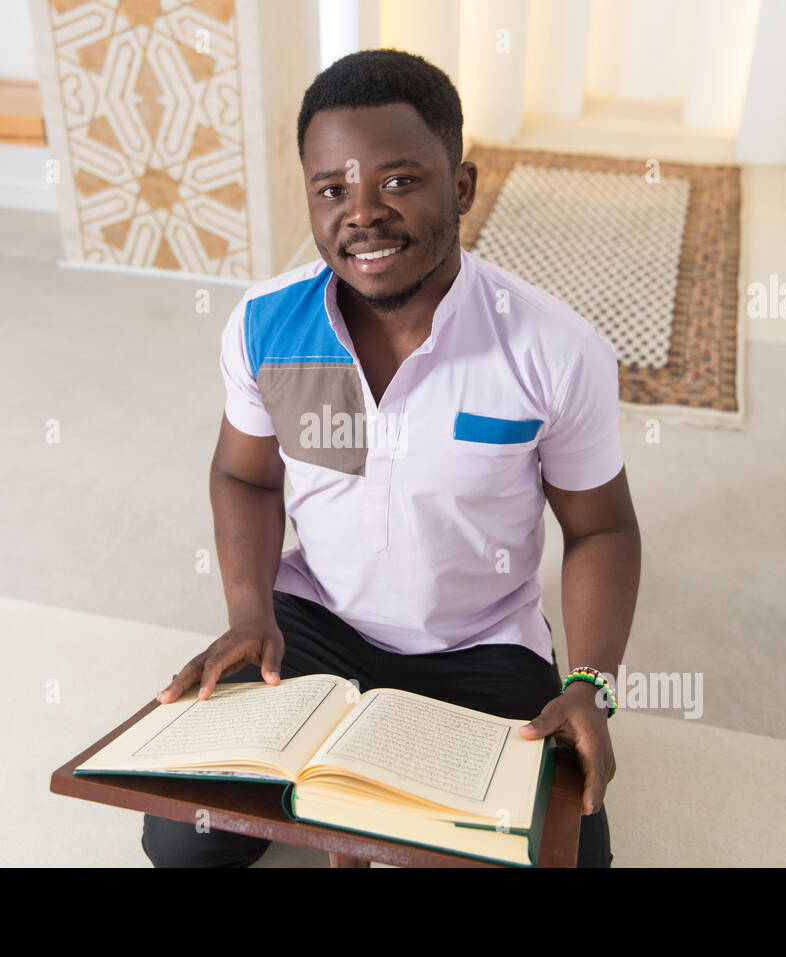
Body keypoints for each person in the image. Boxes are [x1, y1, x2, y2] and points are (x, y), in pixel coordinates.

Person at [141, 48, 641, 868]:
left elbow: (603, 532)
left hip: (480, 646)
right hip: (312, 625)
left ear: (464, 188)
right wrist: (248, 612)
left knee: (562, 858)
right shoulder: (267, 324)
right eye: (331, 188)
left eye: (399, 181)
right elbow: (245, 474)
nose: (361, 214)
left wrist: (588, 682)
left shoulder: (555, 349)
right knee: (184, 844)